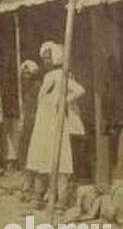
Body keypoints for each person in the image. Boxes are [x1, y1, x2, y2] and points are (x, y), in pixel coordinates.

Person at [24, 41, 85, 208]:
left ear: (56, 57)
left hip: (55, 120)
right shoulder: (47, 76)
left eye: (49, 57)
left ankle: (61, 201)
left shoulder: (61, 74)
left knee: (60, 157)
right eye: (44, 58)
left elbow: (80, 90)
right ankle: (39, 197)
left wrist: (63, 101)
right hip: (42, 121)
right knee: (40, 157)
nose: (46, 61)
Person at [16, 59, 42, 200]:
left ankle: (34, 188)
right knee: (23, 154)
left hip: (36, 125)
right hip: (27, 124)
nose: (24, 76)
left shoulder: (37, 87)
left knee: (34, 156)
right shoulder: (23, 89)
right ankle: (26, 185)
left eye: (27, 74)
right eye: (23, 74)